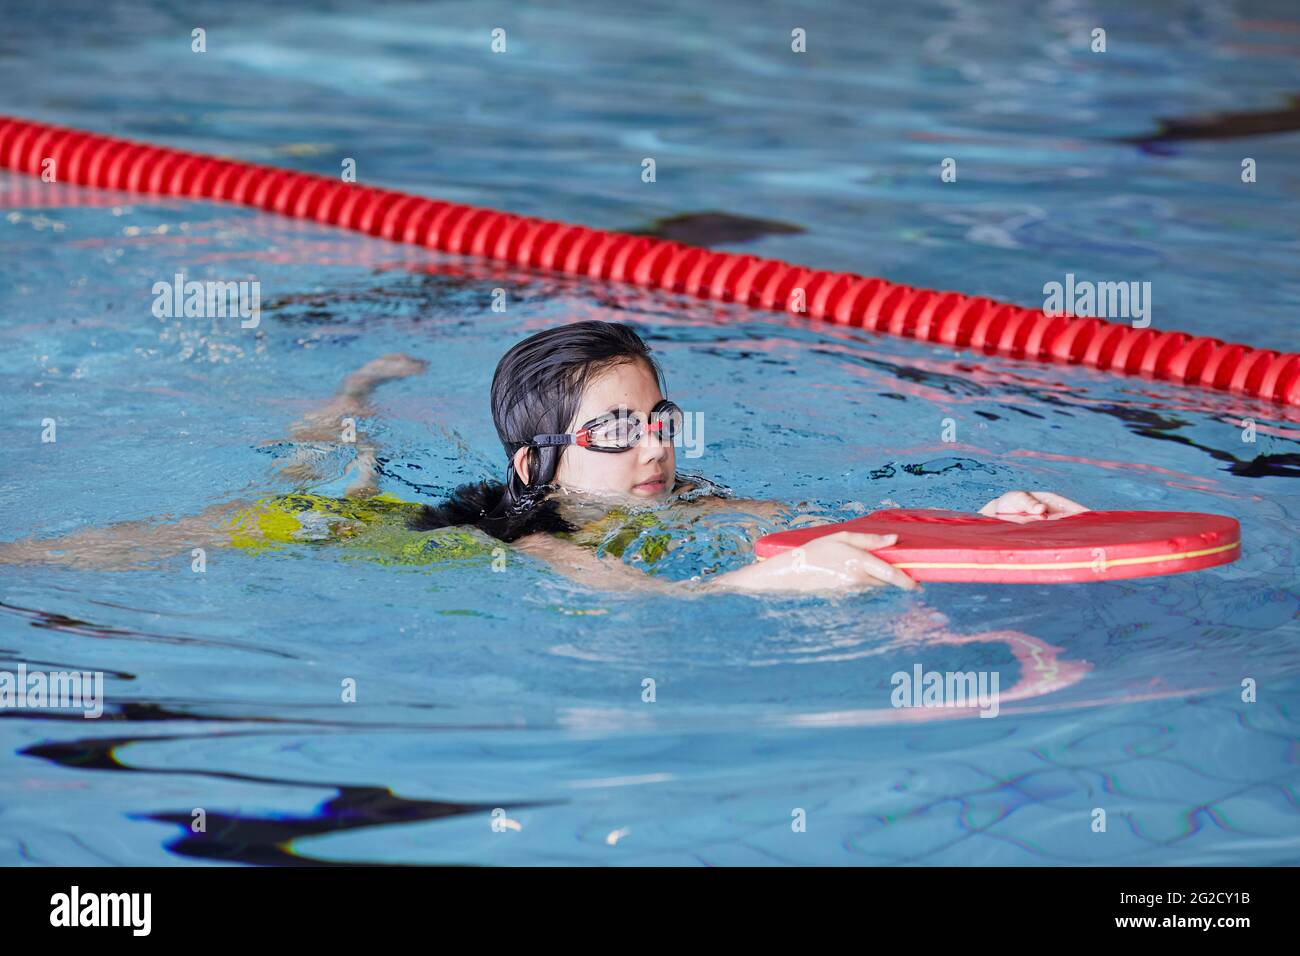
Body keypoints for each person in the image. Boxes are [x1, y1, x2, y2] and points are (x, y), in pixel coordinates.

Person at [0, 321, 1088, 593]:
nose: (652, 443)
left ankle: (356, 407)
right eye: (615, 429)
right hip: (363, 541)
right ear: (537, 464)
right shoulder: (543, 525)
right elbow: (632, 600)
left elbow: (820, 511)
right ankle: (349, 398)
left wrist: (988, 518)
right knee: (315, 489)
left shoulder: (688, 492)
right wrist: (770, 578)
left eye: (658, 416)